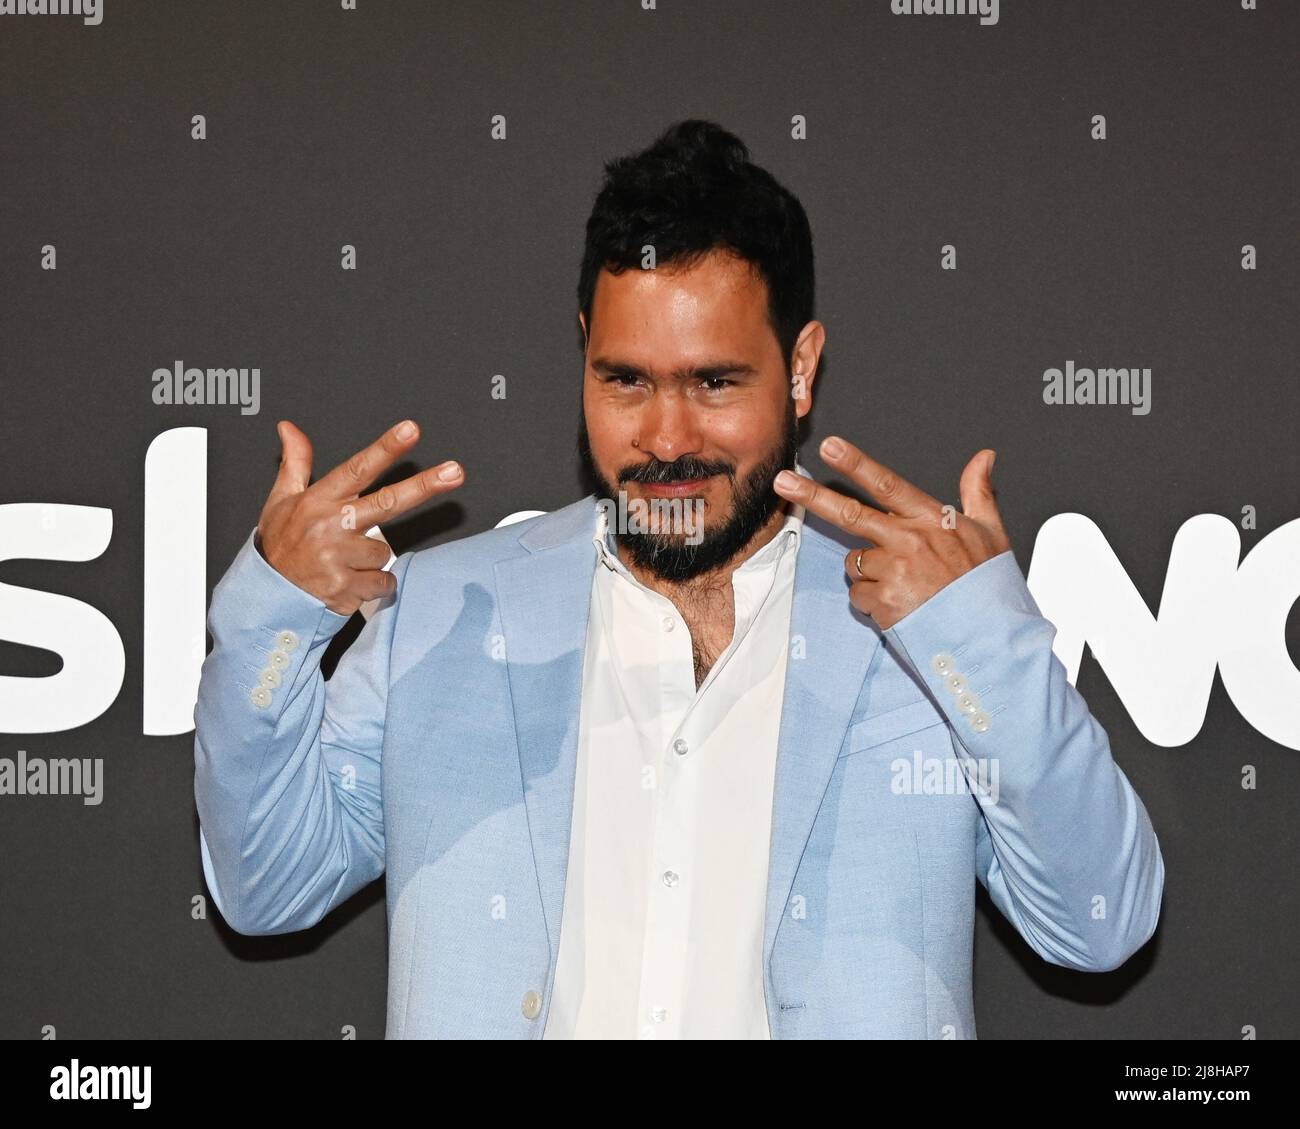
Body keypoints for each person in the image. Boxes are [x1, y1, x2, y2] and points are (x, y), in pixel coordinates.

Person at [193, 119, 1164, 1039]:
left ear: (800, 366)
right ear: (582, 351)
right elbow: (267, 887)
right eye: (625, 381)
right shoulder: (448, 612)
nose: (664, 438)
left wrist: (980, 642)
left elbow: (1097, 925)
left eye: (713, 383)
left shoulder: (924, 633)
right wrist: (271, 609)